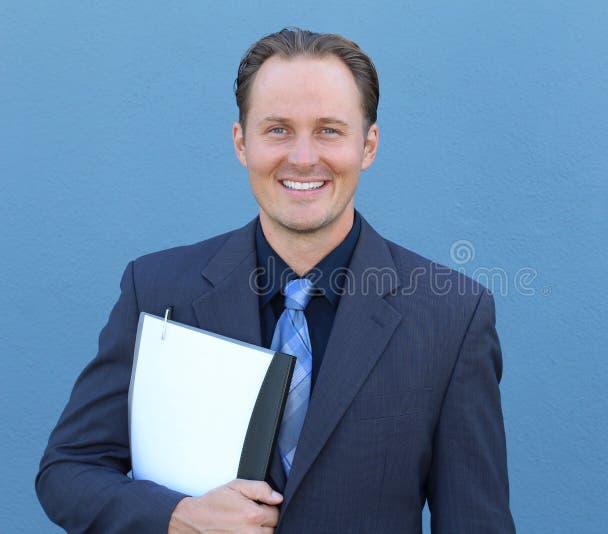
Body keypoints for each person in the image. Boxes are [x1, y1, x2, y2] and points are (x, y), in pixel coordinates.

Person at [36, 28, 515, 533]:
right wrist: (177, 518)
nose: (303, 158)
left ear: (367, 145)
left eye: (329, 130)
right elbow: (68, 471)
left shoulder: (450, 317)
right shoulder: (154, 290)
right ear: (242, 143)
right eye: (278, 129)